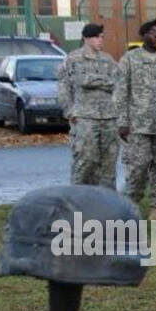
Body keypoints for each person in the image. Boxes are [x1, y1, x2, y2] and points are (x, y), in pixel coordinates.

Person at [115, 19, 156, 222]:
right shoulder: (130, 59)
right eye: (152, 32)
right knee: (138, 167)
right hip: (138, 124)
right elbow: (121, 92)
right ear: (143, 36)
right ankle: (130, 205)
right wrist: (122, 121)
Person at [58, 23, 119, 189]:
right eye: (96, 37)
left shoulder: (108, 60)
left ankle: (106, 202)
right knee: (86, 160)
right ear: (86, 38)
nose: (100, 41)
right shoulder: (73, 59)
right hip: (84, 117)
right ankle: (78, 199)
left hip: (108, 117)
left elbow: (117, 83)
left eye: (101, 37)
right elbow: (66, 86)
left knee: (109, 161)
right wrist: (70, 111)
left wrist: (93, 81)